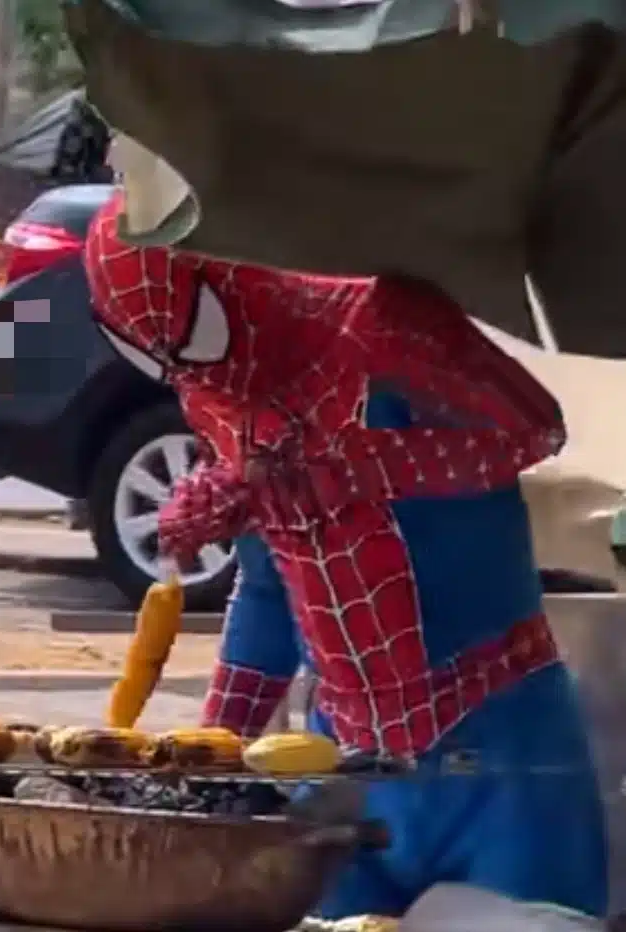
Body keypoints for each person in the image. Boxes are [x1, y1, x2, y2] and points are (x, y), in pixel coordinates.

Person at [84, 189, 608, 918]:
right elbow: (270, 590)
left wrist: (351, 469)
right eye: (157, 360)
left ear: (238, 283)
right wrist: (213, 757)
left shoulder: (381, 323)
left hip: (494, 749)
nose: (193, 376)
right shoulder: (223, 401)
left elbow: (527, 431)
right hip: (342, 767)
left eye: (194, 341)